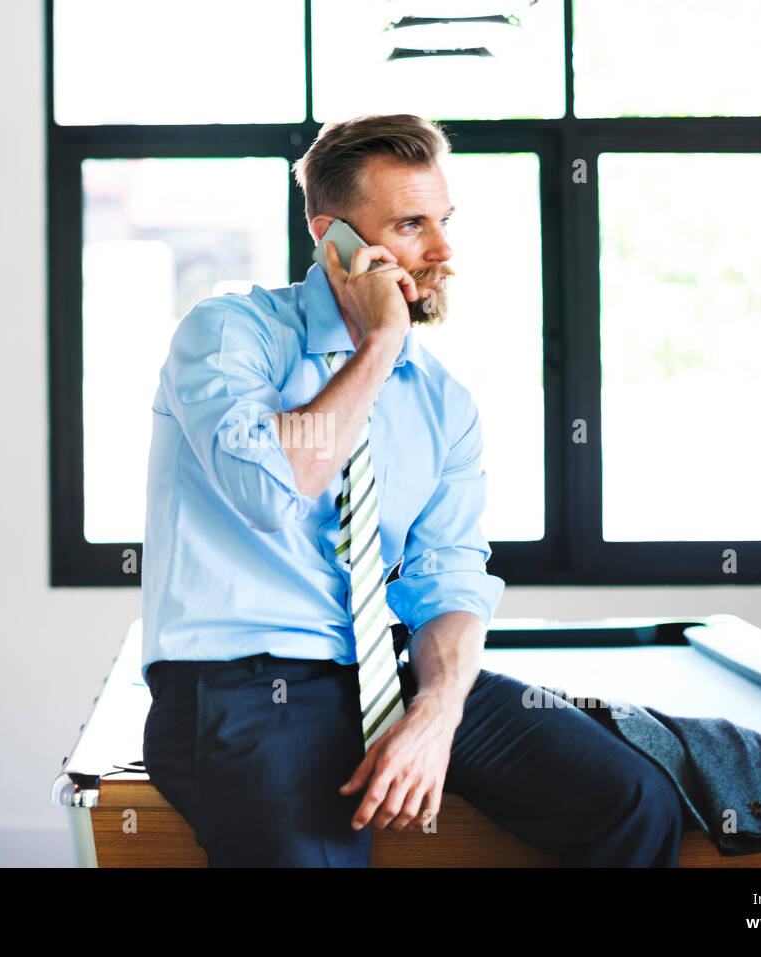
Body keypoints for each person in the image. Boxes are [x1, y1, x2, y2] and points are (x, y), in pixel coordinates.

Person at [139, 113, 686, 867]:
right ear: (335, 240)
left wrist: (437, 708)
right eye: (411, 224)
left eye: (444, 221)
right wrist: (381, 341)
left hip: (383, 674)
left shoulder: (441, 401)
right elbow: (273, 487)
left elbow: (448, 578)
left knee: (631, 799)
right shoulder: (230, 334)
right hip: (240, 687)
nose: (441, 249)